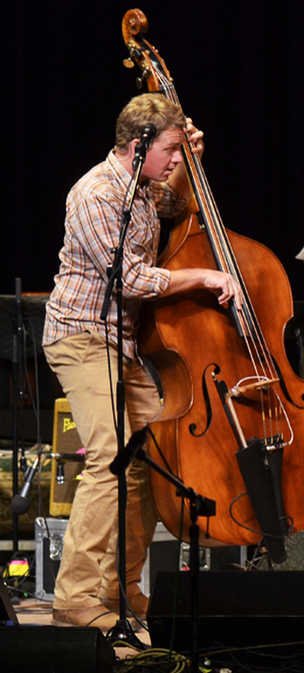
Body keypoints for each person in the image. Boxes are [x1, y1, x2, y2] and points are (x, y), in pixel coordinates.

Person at [43, 93, 238, 630]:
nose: (176, 159)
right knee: (110, 458)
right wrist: (204, 277)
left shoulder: (145, 188)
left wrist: (193, 161)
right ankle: (75, 598)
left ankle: (119, 590)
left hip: (122, 342)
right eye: (171, 150)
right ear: (139, 146)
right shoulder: (95, 194)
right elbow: (129, 279)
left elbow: (179, 205)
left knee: (149, 458)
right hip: (81, 338)